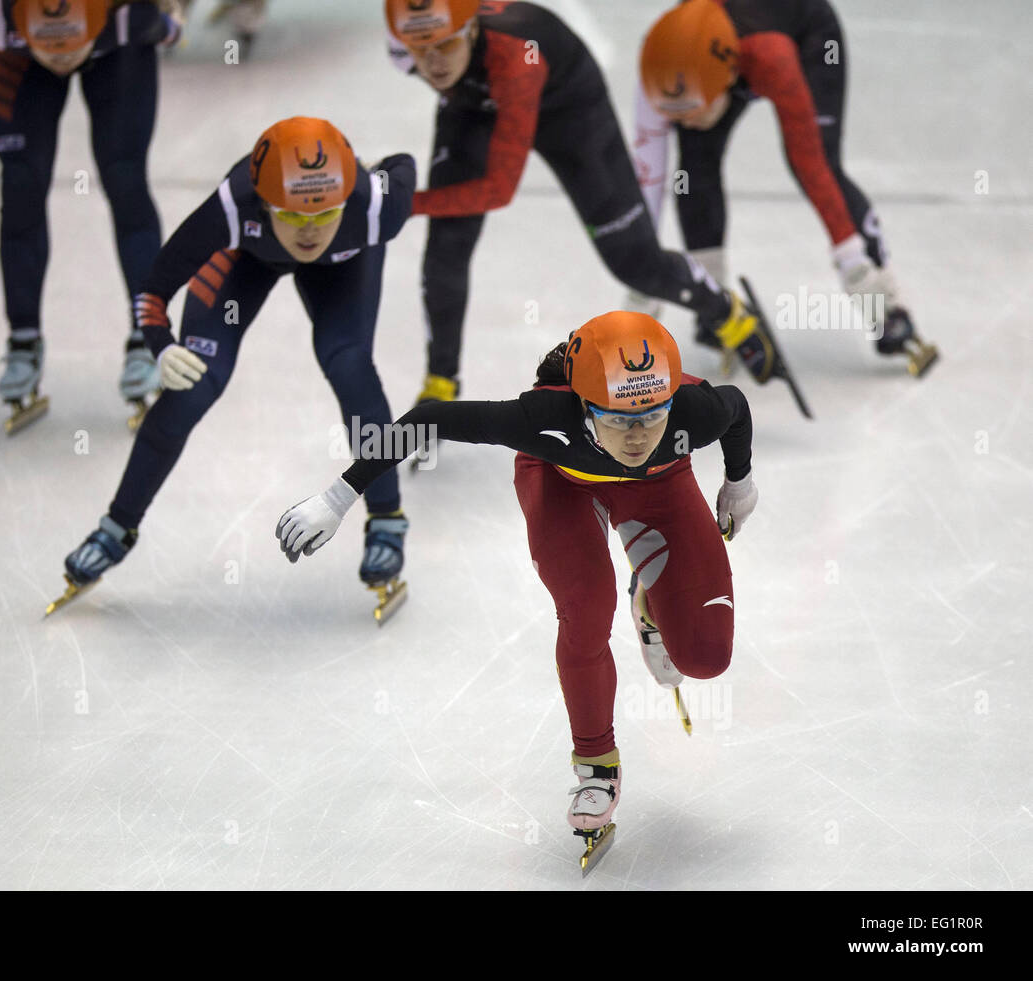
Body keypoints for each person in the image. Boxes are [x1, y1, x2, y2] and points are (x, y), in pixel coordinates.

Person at [277, 310, 757, 866]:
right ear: (583, 405)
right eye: (619, 419)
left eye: (652, 416)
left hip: (659, 485)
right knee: (585, 609)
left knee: (704, 658)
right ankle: (595, 765)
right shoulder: (541, 417)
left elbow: (737, 407)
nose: (638, 436)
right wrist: (336, 499)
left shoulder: (693, 412)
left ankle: (651, 598)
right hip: (559, 479)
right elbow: (428, 418)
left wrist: (739, 480)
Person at [50, 117, 417, 621]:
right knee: (194, 385)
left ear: (346, 197)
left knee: (349, 363)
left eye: (322, 214)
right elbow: (155, 288)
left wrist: (362, 181)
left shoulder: (377, 206)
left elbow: (402, 165)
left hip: (343, 265)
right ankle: (117, 526)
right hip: (248, 259)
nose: (308, 232)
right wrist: (159, 344)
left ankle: (386, 519)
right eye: (292, 216)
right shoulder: (232, 204)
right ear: (264, 204)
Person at [383, 0, 779, 411]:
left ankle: (728, 312)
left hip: (567, 109)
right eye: (419, 48)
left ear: (470, 29)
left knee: (634, 261)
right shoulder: (404, 44)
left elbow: (498, 189)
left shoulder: (519, 57)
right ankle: (440, 383)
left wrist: (406, 203)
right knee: (447, 243)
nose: (433, 63)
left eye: (445, 45)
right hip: (474, 103)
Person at [634, 0, 937, 375]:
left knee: (816, 162)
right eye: (671, 114)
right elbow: (649, 178)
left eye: (691, 110)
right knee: (694, 164)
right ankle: (711, 293)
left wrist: (855, 268)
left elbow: (813, 164)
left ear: (726, 81)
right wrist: (643, 276)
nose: (683, 121)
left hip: (805, 36)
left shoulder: (771, 59)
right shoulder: (659, 66)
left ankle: (887, 302)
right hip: (714, 53)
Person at [0, 0, 184, 433]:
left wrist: (169, 23)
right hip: (23, 56)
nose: (61, 57)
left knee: (126, 181)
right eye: (52, 45)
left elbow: (162, 22)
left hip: (116, 51)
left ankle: (146, 334)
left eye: (69, 44)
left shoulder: (133, 16)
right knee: (21, 186)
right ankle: (23, 338)